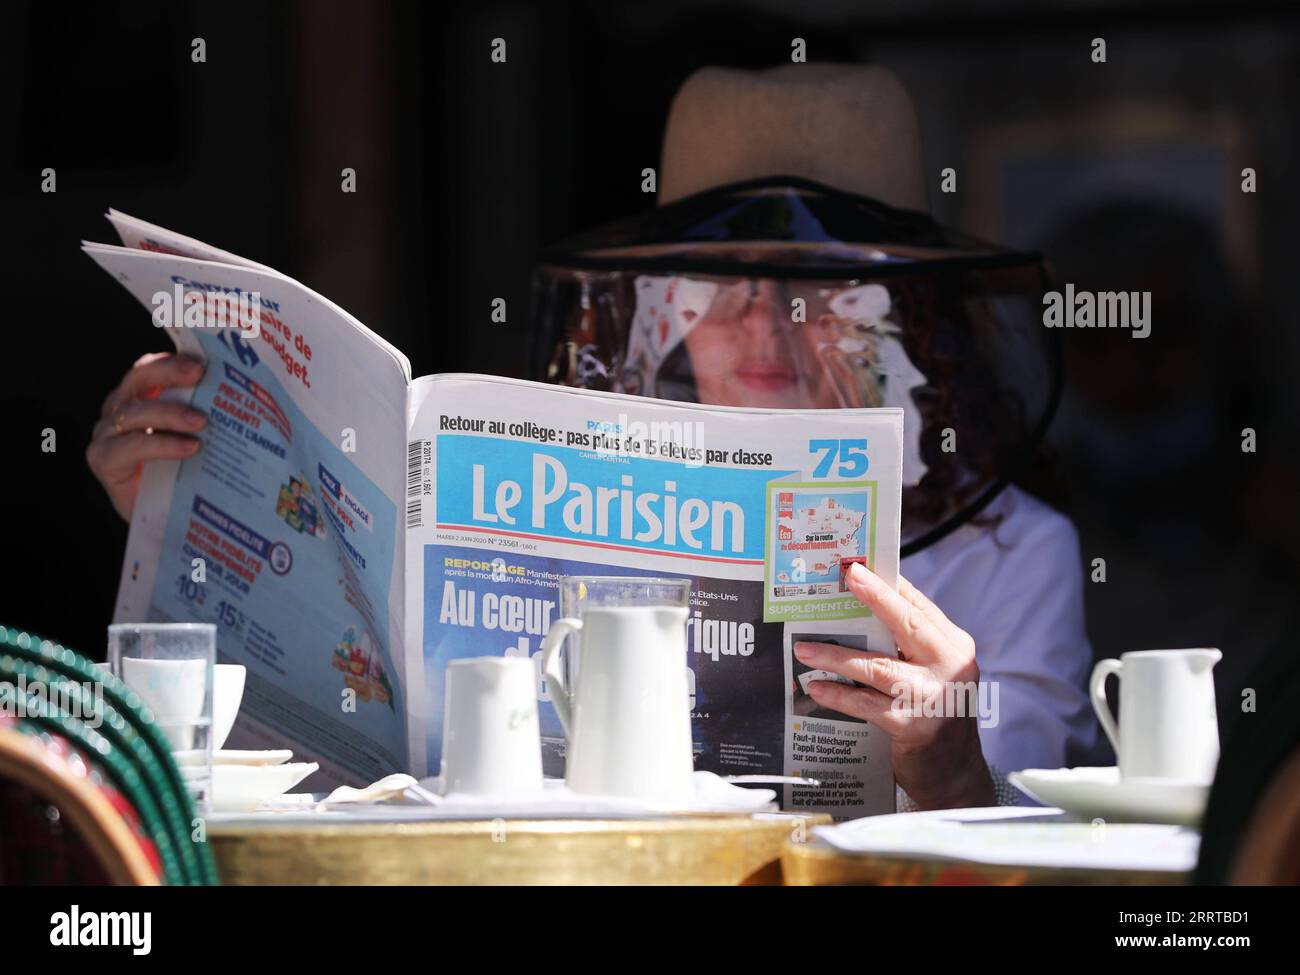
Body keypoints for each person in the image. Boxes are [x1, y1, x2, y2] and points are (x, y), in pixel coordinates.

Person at [89, 65, 1101, 810]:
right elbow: (322, 752)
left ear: (903, 315)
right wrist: (184, 508)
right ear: (655, 304)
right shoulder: (558, 502)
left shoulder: (1014, 554)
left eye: (816, 283)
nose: (762, 319)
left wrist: (951, 758)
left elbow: (1037, 856)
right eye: (715, 277)